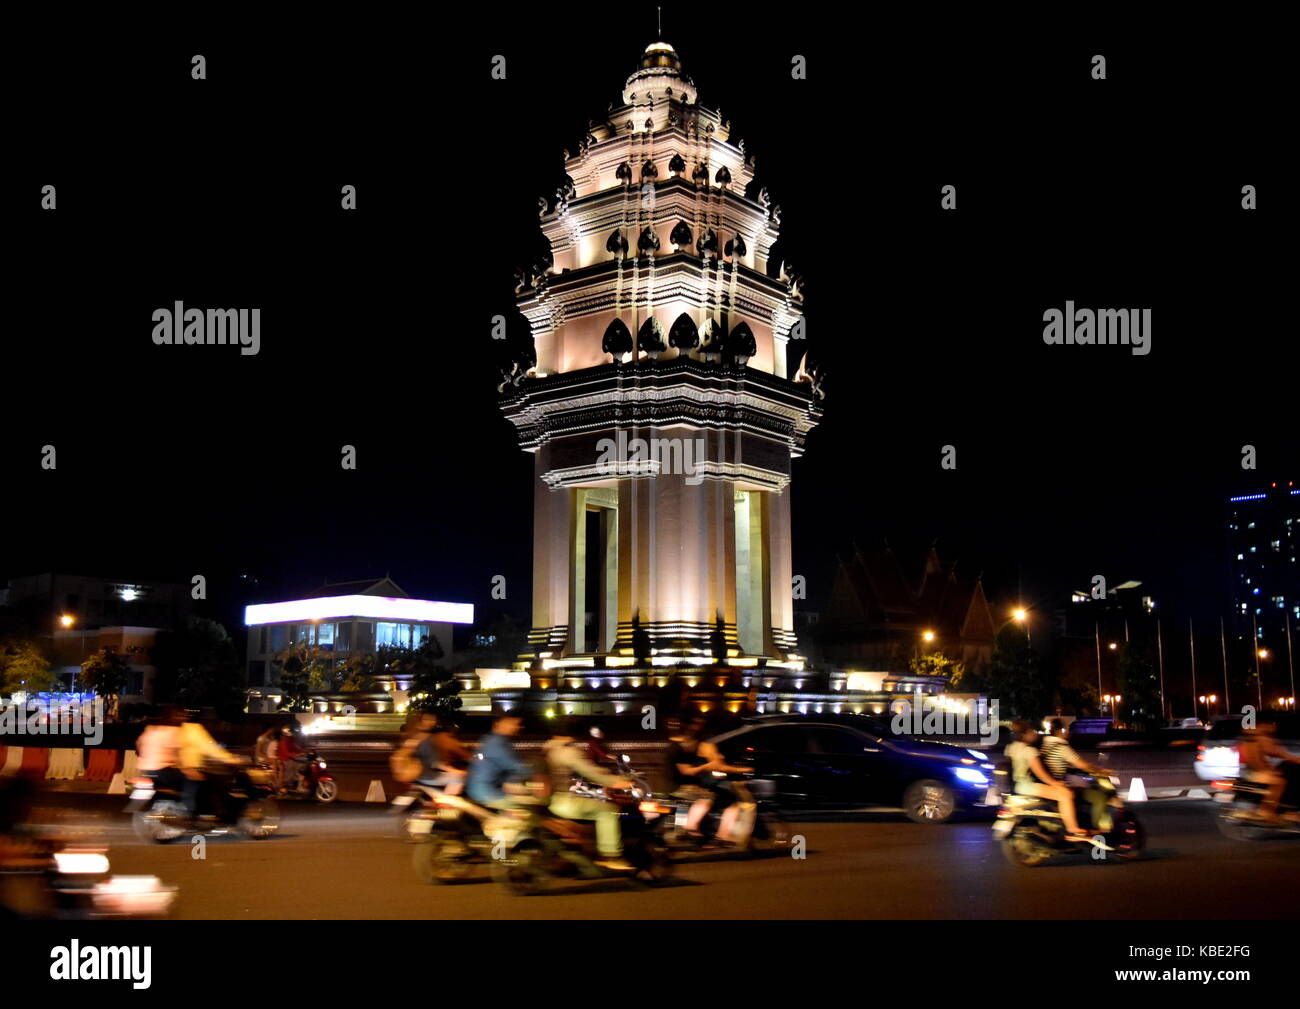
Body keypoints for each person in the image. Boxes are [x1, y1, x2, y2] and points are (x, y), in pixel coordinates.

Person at [544, 718, 636, 871]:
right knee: (608, 810)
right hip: (566, 801)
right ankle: (610, 854)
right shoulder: (568, 752)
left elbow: (589, 769)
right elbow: (590, 772)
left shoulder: (548, 749)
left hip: (553, 800)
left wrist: (604, 774)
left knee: (593, 802)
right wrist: (617, 781)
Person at [1004, 719, 1099, 845]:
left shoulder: (1011, 748)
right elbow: (1040, 773)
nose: (1035, 735)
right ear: (1025, 733)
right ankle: (1073, 830)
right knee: (1065, 794)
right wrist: (1055, 783)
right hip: (1027, 786)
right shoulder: (1029, 751)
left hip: (1016, 786)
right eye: (1032, 732)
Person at [666, 715, 754, 845]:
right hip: (694, 786)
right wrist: (742, 770)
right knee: (733, 801)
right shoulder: (705, 745)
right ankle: (721, 833)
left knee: (719, 796)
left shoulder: (681, 745)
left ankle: (703, 829)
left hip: (679, 784)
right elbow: (717, 766)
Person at [1041, 718, 1111, 831]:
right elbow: (1083, 765)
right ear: (1060, 731)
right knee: (1100, 797)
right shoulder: (1061, 747)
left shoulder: (1045, 745)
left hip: (1048, 785)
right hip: (1058, 786)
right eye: (1066, 729)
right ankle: (1096, 831)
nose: (1068, 732)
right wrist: (1101, 771)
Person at [178, 713, 245, 820]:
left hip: (175, 769)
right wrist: (232, 759)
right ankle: (219, 813)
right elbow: (210, 749)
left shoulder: (176, 728)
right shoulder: (194, 729)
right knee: (216, 784)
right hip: (189, 769)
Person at [465, 714, 533, 811]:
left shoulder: (492, 739)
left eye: (517, 724)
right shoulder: (495, 743)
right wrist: (536, 770)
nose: (516, 727)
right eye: (511, 723)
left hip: (487, 788)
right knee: (523, 808)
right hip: (486, 791)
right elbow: (515, 765)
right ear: (497, 724)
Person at [1239, 717, 1300, 821]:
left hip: (1250, 773)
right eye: (1271, 724)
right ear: (1262, 725)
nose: (1274, 727)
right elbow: (1281, 753)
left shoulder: (1248, 739)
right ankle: (1267, 811)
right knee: (1281, 782)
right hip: (1260, 774)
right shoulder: (1262, 739)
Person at [136, 705, 186, 795]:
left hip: (145, 769)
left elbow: (139, 745)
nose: (183, 718)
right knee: (190, 783)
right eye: (180, 715)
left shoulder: (150, 729)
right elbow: (178, 753)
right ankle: (190, 806)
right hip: (162, 769)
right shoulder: (174, 731)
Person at [277, 725, 306, 794]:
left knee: (304, 765)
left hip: (290, 758)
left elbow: (295, 748)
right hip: (285, 759)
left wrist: (303, 752)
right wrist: (297, 754)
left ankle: (298, 784)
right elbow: (286, 753)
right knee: (297, 767)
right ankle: (292, 785)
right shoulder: (284, 741)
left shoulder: (290, 740)